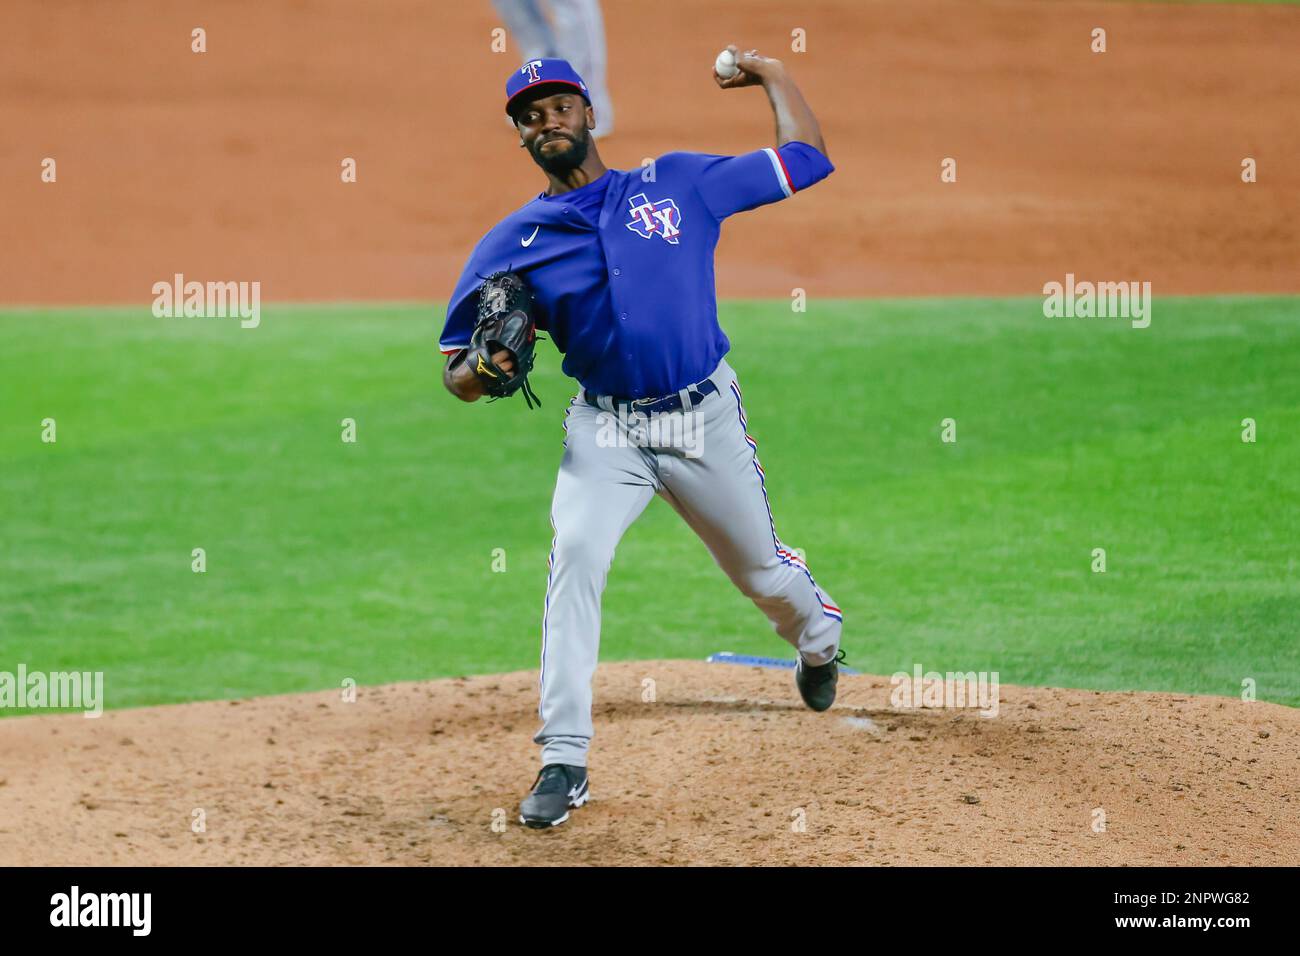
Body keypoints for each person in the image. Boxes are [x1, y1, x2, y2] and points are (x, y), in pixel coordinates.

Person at [438, 48, 843, 829]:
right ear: (520, 136)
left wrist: (769, 74)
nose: (546, 120)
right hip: (606, 429)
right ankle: (564, 758)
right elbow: (457, 371)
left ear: (589, 113)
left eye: (559, 106)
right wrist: (485, 370)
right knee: (575, 557)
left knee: (761, 571)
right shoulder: (511, 243)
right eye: (530, 114)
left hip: (703, 416)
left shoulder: (679, 183)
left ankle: (820, 642)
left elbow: (807, 160)